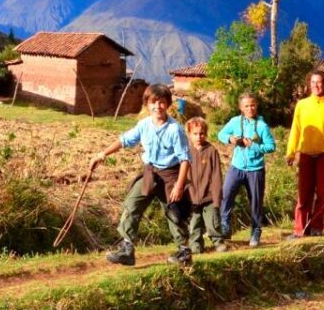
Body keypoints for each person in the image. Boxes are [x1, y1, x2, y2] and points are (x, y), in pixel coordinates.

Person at [89, 84, 193, 266]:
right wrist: (102, 154)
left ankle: (184, 253)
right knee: (131, 205)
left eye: (161, 102)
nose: (157, 107)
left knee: (174, 213)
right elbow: (124, 140)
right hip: (150, 172)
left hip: (170, 175)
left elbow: (185, 160)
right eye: (153, 102)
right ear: (147, 104)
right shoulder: (144, 125)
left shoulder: (175, 130)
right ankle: (127, 249)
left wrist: (178, 186)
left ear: (168, 104)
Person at [286, 71, 324, 238]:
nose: (316, 85)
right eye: (313, 82)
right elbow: (295, 130)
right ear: (308, 84)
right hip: (305, 154)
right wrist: (290, 152)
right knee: (304, 194)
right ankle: (300, 230)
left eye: (319, 82)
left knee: (323, 193)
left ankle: (316, 227)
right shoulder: (302, 105)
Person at [217, 93, 276, 247]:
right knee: (226, 195)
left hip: (256, 169)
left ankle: (256, 232)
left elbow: (271, 146)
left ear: (256, 106)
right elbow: (221, 134)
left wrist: (254, 146)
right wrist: (230, 139)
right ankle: (225, 226)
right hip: (236, 166)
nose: (250, 108)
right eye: (246, 106)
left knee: (256, 202)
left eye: (252, 105)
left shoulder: (262, 126)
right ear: (241, 108)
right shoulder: (235, 122)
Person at [185, 117, 228, 253]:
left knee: (213, 222)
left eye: (201, 133)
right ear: (189, 134)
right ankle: (196, 245)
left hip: (209, 195)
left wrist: (217, 197)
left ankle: (218, 242)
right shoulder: (185, 151)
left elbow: (216, 175)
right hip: (191, 196)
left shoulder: (211, 151)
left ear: (206, 133)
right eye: (195, 134)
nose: (199, 136)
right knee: (194, 224)